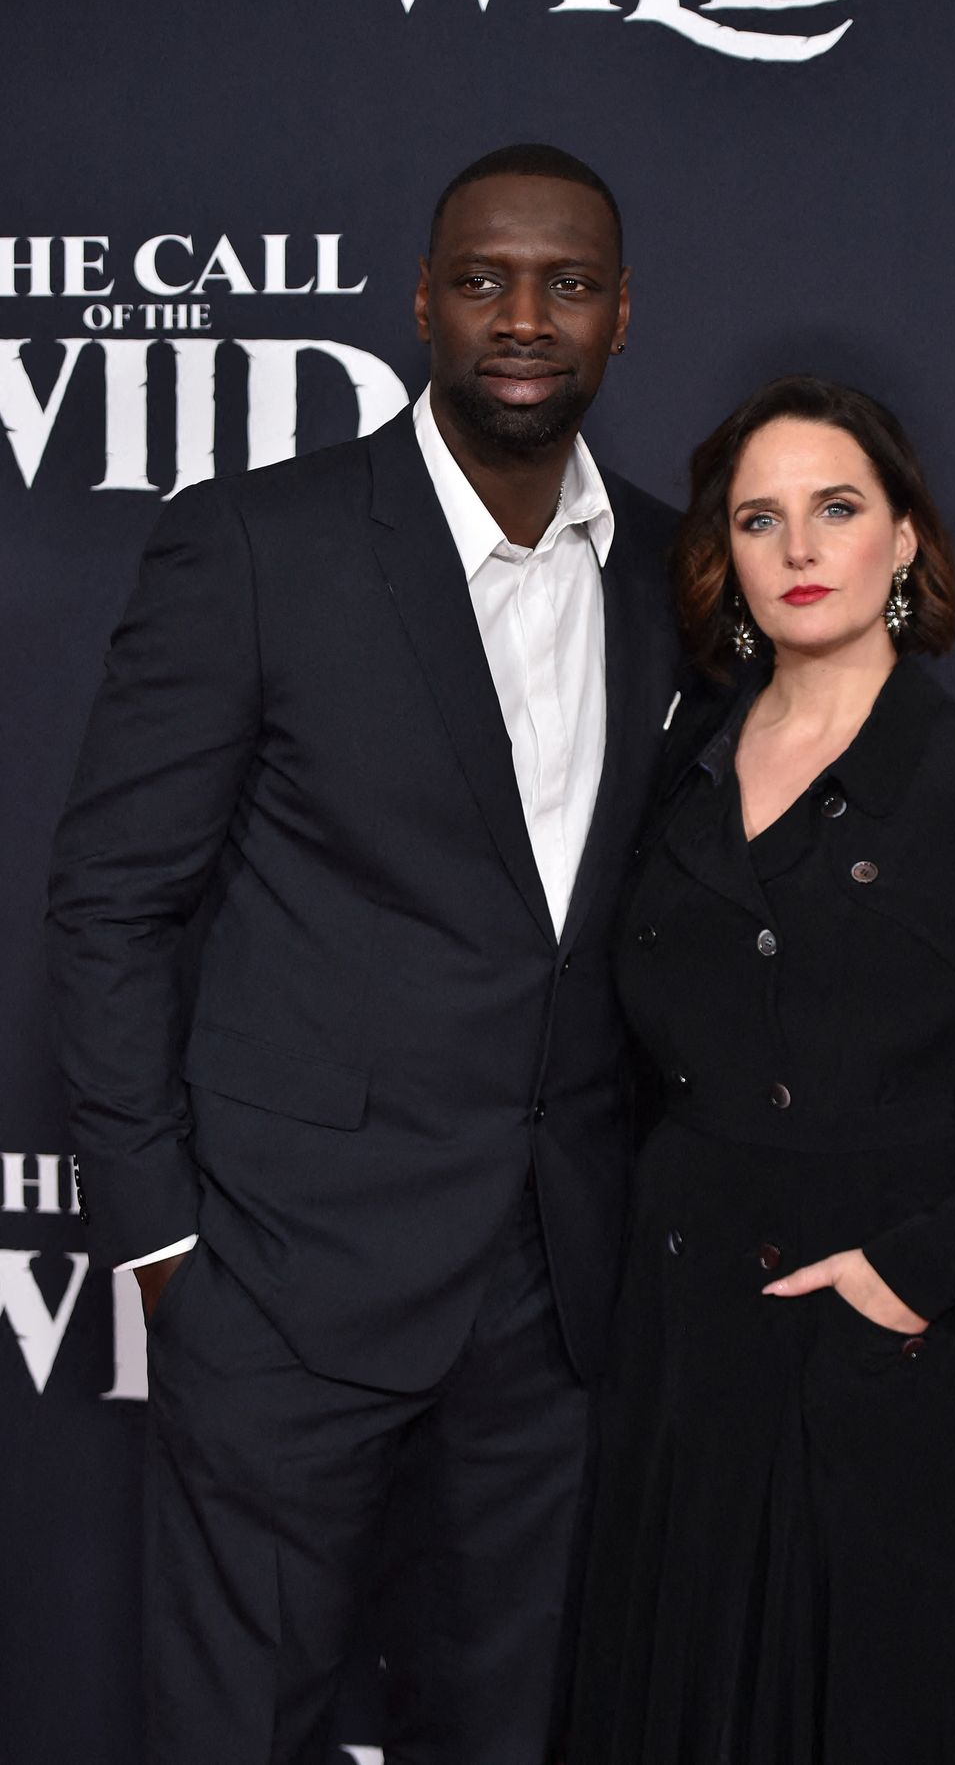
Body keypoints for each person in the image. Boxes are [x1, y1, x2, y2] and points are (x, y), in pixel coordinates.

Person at [44, 145, 682, 1765]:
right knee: (238, 1729)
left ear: (624, 317)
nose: (523, 317)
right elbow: (112, 898)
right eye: (483, 280)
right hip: (276, 1283)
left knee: (518, 1727)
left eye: (569, 283)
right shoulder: (261, 546)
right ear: (419, 303)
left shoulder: (678, 579)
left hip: (559, 1303)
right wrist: (163, 1248)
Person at [568, 375, 955, 1765]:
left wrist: (908, 1274)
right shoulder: (673, 772)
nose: (800, 548)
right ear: (726, 558)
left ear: (905, 539)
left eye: (837, 508)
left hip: (907, 1356)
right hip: (686, 1354)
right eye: (759, 519)